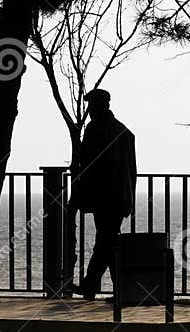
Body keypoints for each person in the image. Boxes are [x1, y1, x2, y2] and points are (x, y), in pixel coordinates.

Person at [71, 89, 136, 301]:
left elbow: (88, 165)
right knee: (108, 242)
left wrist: (81, 195)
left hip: (104, 197)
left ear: (98, 107)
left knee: (106, 242)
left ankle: (97, 287)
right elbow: (132, 170)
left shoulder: (95, 130)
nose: (89, 111)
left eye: (91, 106)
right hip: (119, 198)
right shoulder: (123, 132)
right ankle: (111, 288)